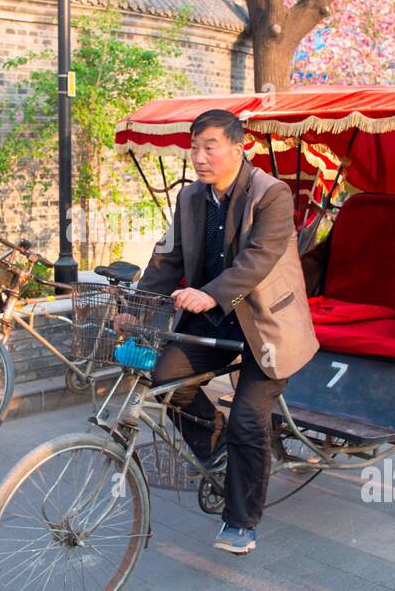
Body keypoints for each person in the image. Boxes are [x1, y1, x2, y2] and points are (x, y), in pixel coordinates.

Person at [136, 108, 318, 556]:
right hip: (215, 321)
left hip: (268, 326)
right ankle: (215, 445)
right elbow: (167, 258)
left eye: (209, 146)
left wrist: (211, 294)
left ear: (239, 148)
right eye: (194, 147)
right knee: (164, 380)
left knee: (249, 420)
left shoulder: (270, 194)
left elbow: (258, 258)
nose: (199, 157)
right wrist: (136, 308)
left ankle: (241, 521)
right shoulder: (191, 199)